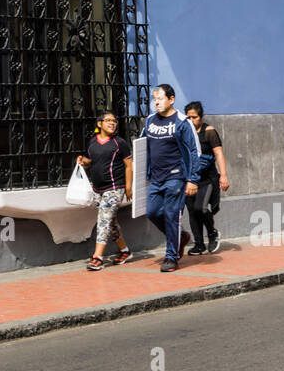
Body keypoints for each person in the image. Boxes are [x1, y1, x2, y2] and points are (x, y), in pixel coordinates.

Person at [140, 84, 201, 272]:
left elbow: (194, 151)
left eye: (160, 98)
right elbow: (141, 146)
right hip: (156, 179)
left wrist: (192, 179)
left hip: (176, 178)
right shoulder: (150, 121)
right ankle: (180, 237)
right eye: (154, 99)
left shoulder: (182, 122)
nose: (156, 102)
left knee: (172, 215)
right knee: (152, 212)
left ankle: (171, 257)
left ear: (171, 99)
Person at [75, 111, 134, 270]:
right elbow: (89, 161)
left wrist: (128, 187)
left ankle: (97, 258)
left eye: (114, 121)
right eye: (108, 120)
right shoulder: (93, 142)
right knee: (111, 222)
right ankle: (124, 251)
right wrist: (82, 161)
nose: (112, 123)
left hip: (115, 188)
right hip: (98, 189)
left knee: (103, 221)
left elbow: (129, 165)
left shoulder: (119, 143)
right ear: (99, 124)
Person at [184, 101, 229, 254]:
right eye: (188, 117)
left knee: (200, 208)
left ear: (201, 117)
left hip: (207, 179)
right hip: (190, 179)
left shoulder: (209, 131)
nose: (191, 120)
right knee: (191, 211)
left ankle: (212, 233)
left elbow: (218, 153)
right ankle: (198, 244)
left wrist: (223, 175)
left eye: (194, 117)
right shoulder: (184, 132)